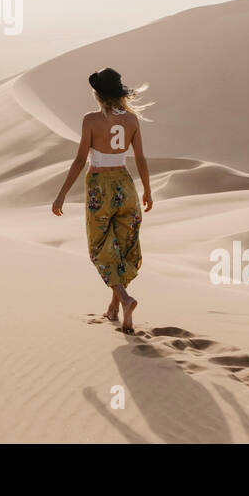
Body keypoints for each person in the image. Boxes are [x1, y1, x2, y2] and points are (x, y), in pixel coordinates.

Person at [51, 67, 153, 332]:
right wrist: (148, 191)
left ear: (98, 94)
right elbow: (140, 158)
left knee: (100, 248)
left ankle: (125, 298)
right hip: (125, 185)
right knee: (123, 247)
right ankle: (115, 307)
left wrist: (62, 194)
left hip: (99, 188)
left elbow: (79, 160)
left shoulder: (91, 120)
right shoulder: (132, 121)